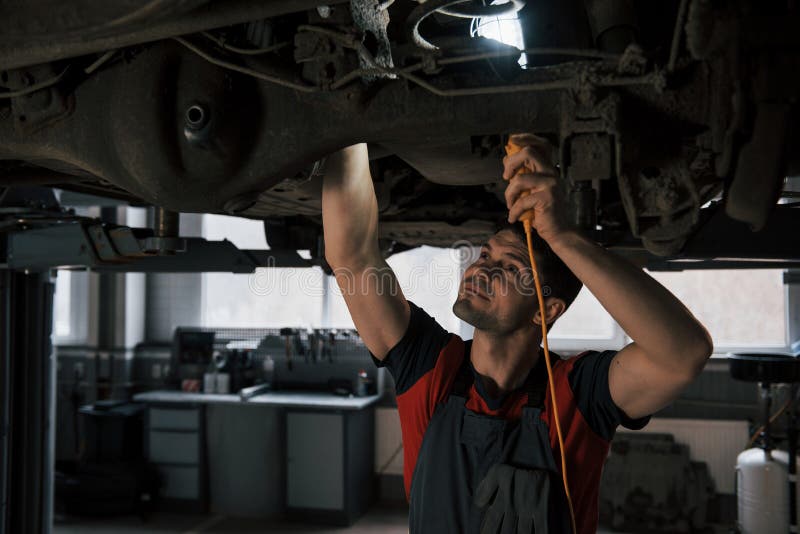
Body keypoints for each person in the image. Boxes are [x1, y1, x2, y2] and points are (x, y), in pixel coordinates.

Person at [321, 139, 713, 534]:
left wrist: (563, 237)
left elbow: (683, 355)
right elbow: (352, 257)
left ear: (546, 310)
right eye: (485, 256)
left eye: (510, 268)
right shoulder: (433, 366)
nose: (481, 270)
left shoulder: (578, 394)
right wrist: (347, 131)